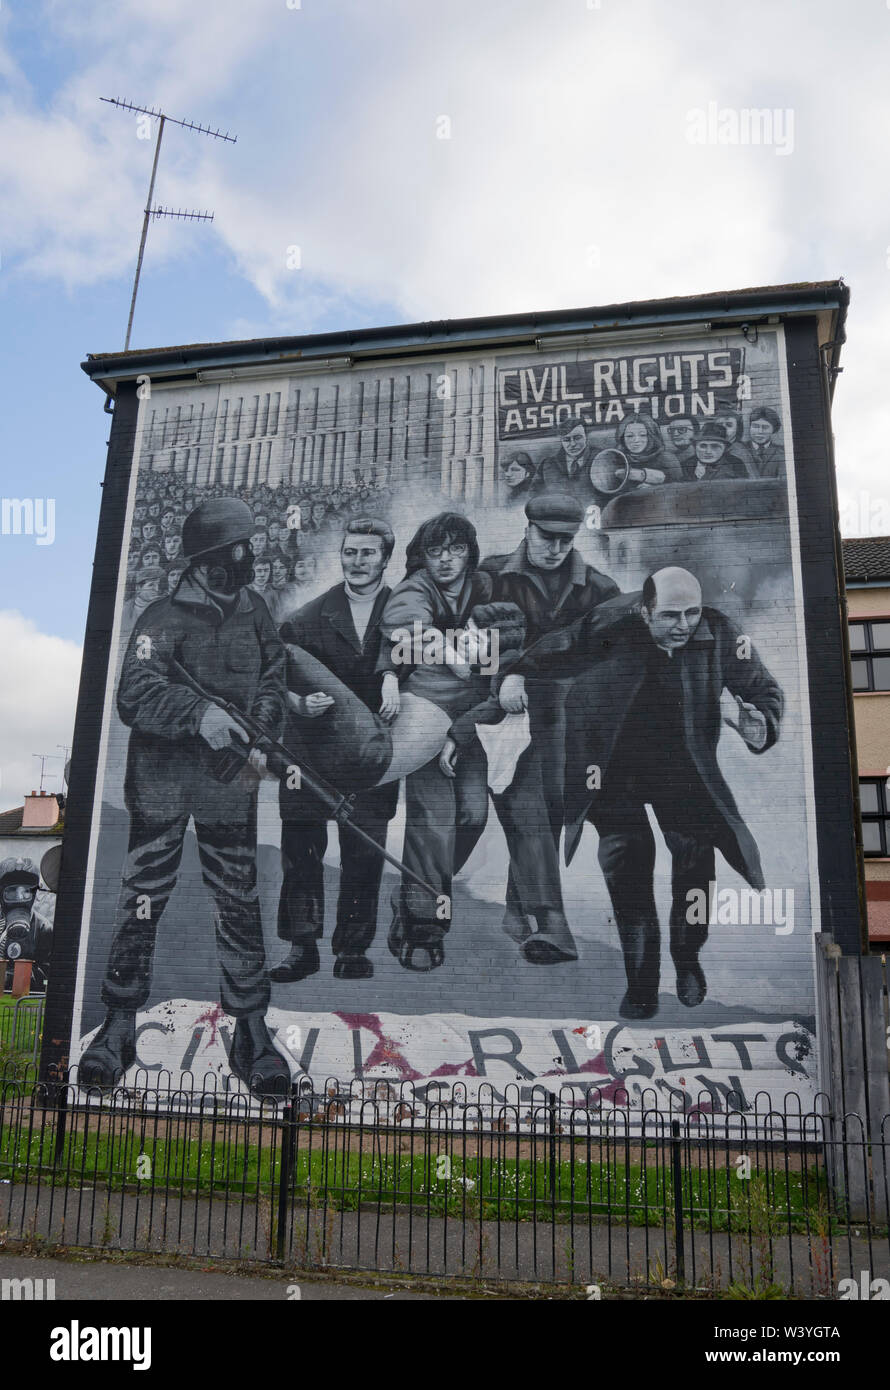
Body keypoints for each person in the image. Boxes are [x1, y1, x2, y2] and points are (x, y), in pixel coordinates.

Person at [79, 497, 291, 1097]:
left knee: (239, 905)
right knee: (143, 902)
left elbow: (275, 676)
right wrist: (198, 713)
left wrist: (260, 729)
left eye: (248, 546)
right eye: (236, 549)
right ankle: (117, 1025)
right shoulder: (160, 617)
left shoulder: (255, 613)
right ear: (206, 561)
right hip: (162, 787)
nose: (249, 557)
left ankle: (250, 1029)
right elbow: (134, 692)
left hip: (232, 785)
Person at [560, 567, 784, 1019]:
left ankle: (687, 959)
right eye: (671, 616)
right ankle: (642, 984)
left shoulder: (718, 632)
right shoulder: (606, 627)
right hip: (614, 772)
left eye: (692, 613)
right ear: (644, 612)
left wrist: (758, 722)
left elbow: (763, 688)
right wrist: (509, 678)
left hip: (682, 772)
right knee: (628, 867)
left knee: (695, 866)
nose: (684, 625)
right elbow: (553, 652)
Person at [480, 494, 620, 963]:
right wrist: (503, 679)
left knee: (549, 813)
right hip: (502, 717)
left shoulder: (598, 589)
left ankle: (517, 912)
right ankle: (552, 925)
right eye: (547, 537)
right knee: (527, 812)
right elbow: (465, 643)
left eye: (566, 539)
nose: (556, 548)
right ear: (528, 529)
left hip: (566, 722)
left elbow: (612, 655)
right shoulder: (491, 577)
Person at [271, 518, 399, 982]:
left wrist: (396, 682)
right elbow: (269, 680)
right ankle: (301, 948)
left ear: (386, 559)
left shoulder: (406, 613)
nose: (357, 562)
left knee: (364, 852)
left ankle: (352, 950)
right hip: (308, 753)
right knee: (302, 850)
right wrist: (297, 703)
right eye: (350, 552)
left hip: (373, 757)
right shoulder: (306, 619)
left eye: (367, 553)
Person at [378, 513, 495, 971]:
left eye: (456, 549)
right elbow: (405, 624)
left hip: (472, 719)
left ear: (469, 551)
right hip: (426, 713)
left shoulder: (484, 585)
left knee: (472, 815)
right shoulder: (416, 587)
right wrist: (450, 653)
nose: (446, 560)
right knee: (432, 819)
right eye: (435, 551)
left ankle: (415, 893)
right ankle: (424, 927)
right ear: (422, 556)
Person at [532, 419, 602, 505]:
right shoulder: (547, 465)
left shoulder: (602, 457)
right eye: (566, 439)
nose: (572, 444)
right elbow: (533, 497)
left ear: (586, 436)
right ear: (561, 441)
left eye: (577, 438)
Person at [615, 414, 683, 484]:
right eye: (630, 436)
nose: (636, 440)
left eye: (642, 435)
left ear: (651, 437)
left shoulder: (667, 459)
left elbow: (679, 488)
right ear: (622, 438)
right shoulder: (619, 459)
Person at [734, 406, 786, 479]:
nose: (759, 431)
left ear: (773, 430)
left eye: (765, 427)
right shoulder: (739, 449)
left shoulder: (781, 452)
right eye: (755, 426)